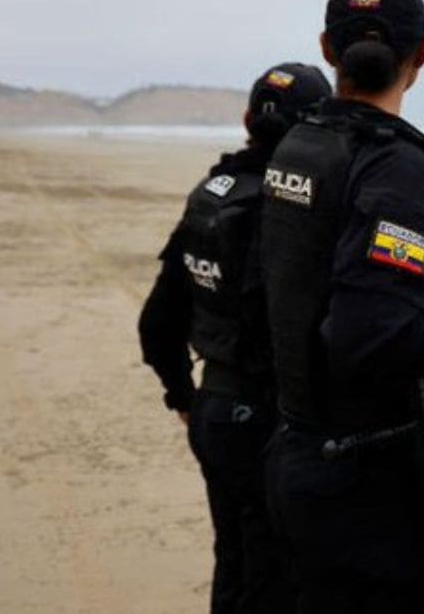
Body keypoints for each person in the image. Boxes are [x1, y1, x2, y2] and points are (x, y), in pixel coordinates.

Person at [259, 0, 424, 611]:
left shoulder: (295, 145)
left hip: (295, 447)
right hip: (370, 478)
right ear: (421, 53)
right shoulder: (394, 164)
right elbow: (376, 335)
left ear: (326, 48)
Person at [138, 61, 332, 613]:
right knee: (276, 576)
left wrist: (184, 396)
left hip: (216, 410)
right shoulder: (290, 208)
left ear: (248, 119)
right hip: (269, 420)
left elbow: (157, 323)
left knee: (237, 564)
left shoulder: (212, 193)